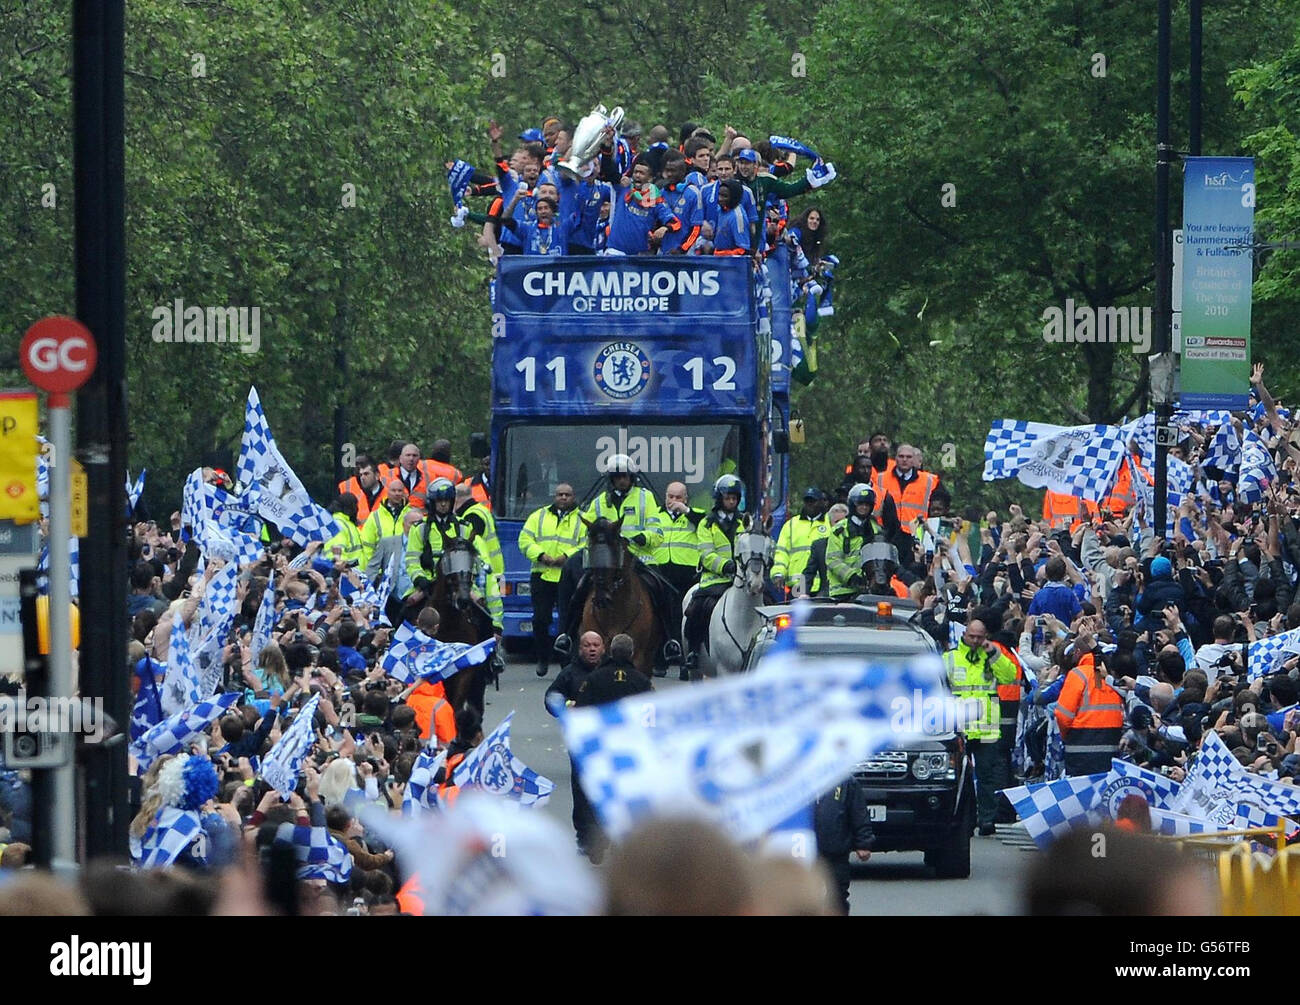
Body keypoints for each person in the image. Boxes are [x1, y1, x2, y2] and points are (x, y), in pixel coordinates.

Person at [553, 454, 675, 664]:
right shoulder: (599, 502)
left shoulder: (645, 498)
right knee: (580, 589)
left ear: (631, 477)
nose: (621, 480)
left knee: (663, 591)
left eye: (625, 476)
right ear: (610, 478)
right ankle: (566, 634)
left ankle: (671, 642)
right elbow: (587, 534)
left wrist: (642, 537)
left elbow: (657, 531)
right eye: (617, 476)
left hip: (638, 556)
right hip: (606, 562)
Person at [942, 619, 1019, 835]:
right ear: (964, 634)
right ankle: (961, 820)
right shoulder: (950, 658)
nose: (975, 641)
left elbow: (1010, 675)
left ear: (985, 637)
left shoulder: (991, 655)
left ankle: (986, 820)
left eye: (979, 637)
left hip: (986, 728)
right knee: (957, 778)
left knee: (987, 778)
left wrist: (993, 653)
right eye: (972, 636)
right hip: (959, 727)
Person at [545, 631, 606, 858]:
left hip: (606, 741)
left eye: (596, 645)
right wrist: (564, 706)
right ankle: (583, 836)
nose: (591, 649)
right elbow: (551, 696)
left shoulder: (610, 673)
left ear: (603, 648)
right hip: (580, 742)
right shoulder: (570, 673)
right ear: (579, 649)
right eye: (587, 645)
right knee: (581, 789)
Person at [519, 484, 583, 677]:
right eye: (560, 494)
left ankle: (566, 662)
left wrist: (567, 556)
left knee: (568, 622)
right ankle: (543, 658)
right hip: (542, 574)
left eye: (567, 495)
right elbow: (524, 540)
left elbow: (587, 542)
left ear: (573, 497)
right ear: (554, 496)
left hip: (568, 577)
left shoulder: (583, 519)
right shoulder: (538, 516)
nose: (563, 498)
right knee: (540, 619)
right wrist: (541, 556)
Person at [683, 475, 744, 673]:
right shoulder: (707, 524)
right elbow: (706, 554)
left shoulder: (745, 522)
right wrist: (726, 566)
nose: (731, 502)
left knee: (766, 602)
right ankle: (693, 651)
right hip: (715, 579)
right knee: (697, 609)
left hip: (742, 580)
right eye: (728, 498)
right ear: (719, 499)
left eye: (734, 498)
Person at [650, 481, 704, 680]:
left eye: (678, 497)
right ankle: (659, 661)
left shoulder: (695, 515)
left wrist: (686, 511)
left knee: (686, 620)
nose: (673, 501)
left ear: (685, 499)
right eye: (670, 497)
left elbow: (706, 523)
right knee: (660, 617)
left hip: (687, 574)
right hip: (661, 573)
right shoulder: (655, 515)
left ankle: (685, 662)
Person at [1054, 635, 1124, 776]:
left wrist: (1067, 736)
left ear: (1078, 652)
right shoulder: (1109, 675)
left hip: (1080, 748)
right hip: (1111, 747)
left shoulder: (1077, 674)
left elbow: (1062, 715)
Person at [814, 775, 873, 914]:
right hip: (803, 854)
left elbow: (858, 812)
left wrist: (863, 842)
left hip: (836, 852)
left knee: (837, 896)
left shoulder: (846, 782)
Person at [772, 487, 830, 596]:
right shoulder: (791, 525)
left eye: (813, 501)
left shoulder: (829, 524)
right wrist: (778, 573)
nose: (810, 504)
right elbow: (781, 553)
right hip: (797, 585)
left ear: (821, 502)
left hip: (823, 586)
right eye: (807, 501)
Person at [826, 484, 880, 600]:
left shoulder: (876, 529)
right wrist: (851, 577)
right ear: (852, 504)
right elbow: (832, 560)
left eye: (867, 504)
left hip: (868, 591)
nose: (864, 508)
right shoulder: (840, 529)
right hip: (841, 591)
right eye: (860, 504)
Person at [871, 443, 939, 531]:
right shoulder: (880, 479)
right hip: (886, 533)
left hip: (914, 534)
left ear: (914, 459)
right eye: (901, 456)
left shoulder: (929, 480)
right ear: (895, 458)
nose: (904, 460)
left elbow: (941, 506)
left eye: (909, 457)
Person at [359, 478, 411, 570]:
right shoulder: (375, 516)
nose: (397, 493)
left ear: (403, 493)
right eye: (393, 490)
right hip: (381, 570)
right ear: (387, 492)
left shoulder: (411, 515)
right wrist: (375, 569)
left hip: (405, 570)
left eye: (399, 490)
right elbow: (368, 546)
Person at [803, 503, 847, 597]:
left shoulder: (857, 543)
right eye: (837, 521)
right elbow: (808, 573)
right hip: (827, 595)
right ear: (830, 523)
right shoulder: (819, 546)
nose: (841, 525)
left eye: (844, 521)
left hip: (852, 595)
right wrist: (803, 593)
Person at [336, 455, 385, 524]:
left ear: (377, 475)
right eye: (361, 474)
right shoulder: (347, 487)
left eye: (366, 474)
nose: (362, 478)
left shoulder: (387, 494)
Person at [324, 494, 364, 567]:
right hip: (345, 571)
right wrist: (342, 570)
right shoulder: (339, 524)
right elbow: (337, 550)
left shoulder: (348, 523)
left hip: (353, 571)